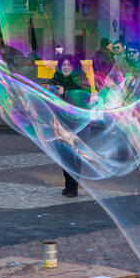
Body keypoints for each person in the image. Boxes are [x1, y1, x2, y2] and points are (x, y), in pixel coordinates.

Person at [49, 58, 86, 196]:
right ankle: (67, 184)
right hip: (60, 122)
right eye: (63, 65)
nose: (65, 67)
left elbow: (84, 98)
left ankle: (73, 187)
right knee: (63, 155)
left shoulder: (81, 79)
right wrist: (50, 92)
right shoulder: (55, 79)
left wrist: (64, 93)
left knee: (73, 155)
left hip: (75, 123)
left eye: (68, 65)